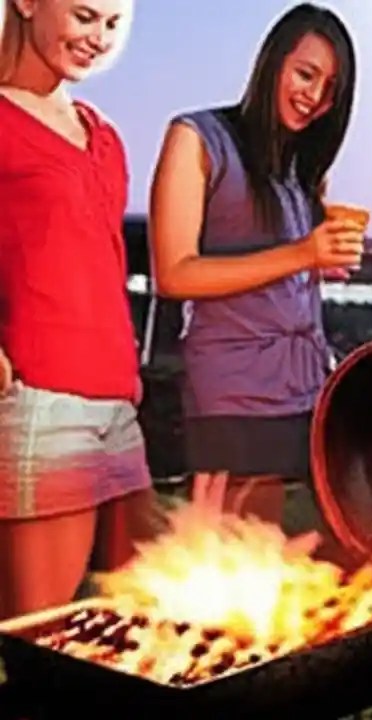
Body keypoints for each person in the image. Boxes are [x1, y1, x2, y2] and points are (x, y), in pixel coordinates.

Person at [148, 3, 362, 527]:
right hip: (235, 393)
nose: (314, 97)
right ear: (272, 62)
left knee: (282, 571)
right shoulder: (197, 137)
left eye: (329, 88)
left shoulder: (303, 170)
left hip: (306, 388)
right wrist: (302, 255)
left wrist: (315, 268)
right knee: (232, 570)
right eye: (305, 74)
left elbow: (273, 271)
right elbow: (174, 273)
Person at [0, 0, 156, 620]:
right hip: (44, 406)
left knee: (144, 630)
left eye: (114, 25)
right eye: (86, 15)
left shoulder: (105, 135)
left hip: (120, 406)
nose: (99, 39)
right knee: (38, 646)